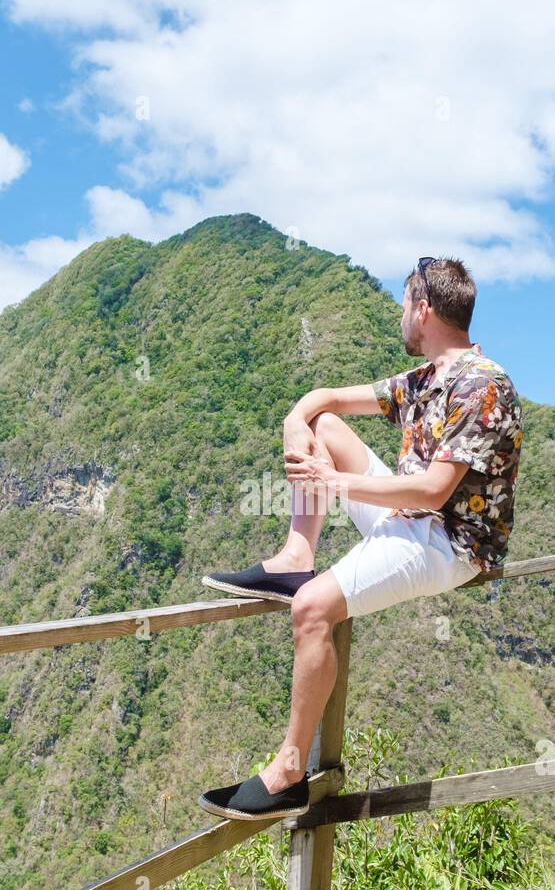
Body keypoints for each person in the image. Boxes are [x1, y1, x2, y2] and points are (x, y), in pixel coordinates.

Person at [198, 256, 522, 820]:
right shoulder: (425, 382)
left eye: (403, 305)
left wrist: (332, 481)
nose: (400, 318)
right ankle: (297, 553)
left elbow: (431, 493)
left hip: (447, 540)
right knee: (325, 426)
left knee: (313, 608)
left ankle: (288, 772)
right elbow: (324, 399)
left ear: (423, 309)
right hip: (407, 516)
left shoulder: (483, 386)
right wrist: (295, 421)